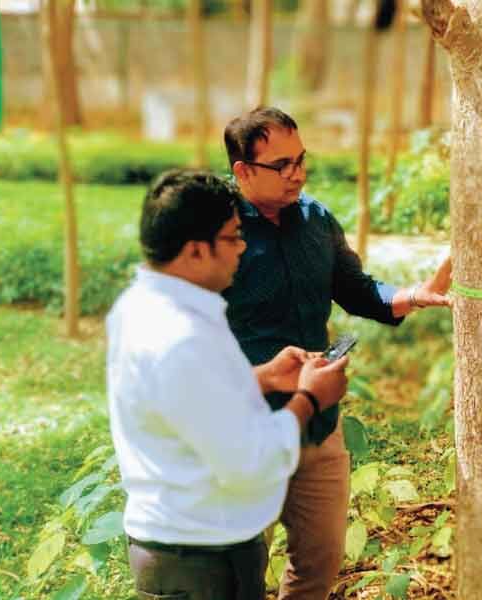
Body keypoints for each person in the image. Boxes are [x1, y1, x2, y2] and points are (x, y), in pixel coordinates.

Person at [222, 106, 451, 600]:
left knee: (319, 565)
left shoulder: (316, 219)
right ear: (242, 171)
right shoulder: (217, 236)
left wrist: (415, 293)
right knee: (237, 576)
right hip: (243, 431)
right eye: (281, 165)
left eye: (301, 159)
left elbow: (357, 289)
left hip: (318, 427)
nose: (297, 173)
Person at [107, 170, 351, 600]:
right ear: (196, 250)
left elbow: (185, 402)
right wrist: (309, 399)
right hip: (201, 563)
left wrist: (262, 377)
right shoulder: (181, 337)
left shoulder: (145, 305)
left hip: (190, 549)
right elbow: (250, 462)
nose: (242, 249)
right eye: (234, 237)